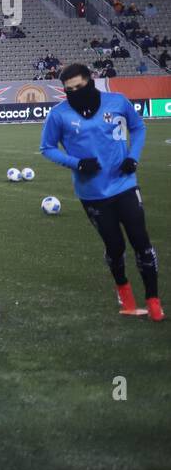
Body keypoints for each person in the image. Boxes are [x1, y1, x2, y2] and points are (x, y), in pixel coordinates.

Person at [40, 64, 160, 321]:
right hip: (92, 193)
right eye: (69, 90)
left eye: (79, 87)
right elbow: (47, 147)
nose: (74, 92)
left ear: (91, 82)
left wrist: (133, 157)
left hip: (125, 184)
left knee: (141, 242)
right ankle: (126, 297)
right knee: (115, 247)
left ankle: (153, 300)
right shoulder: (58, 114)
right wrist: (77, 163)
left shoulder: (117, 101)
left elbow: (138, 128)